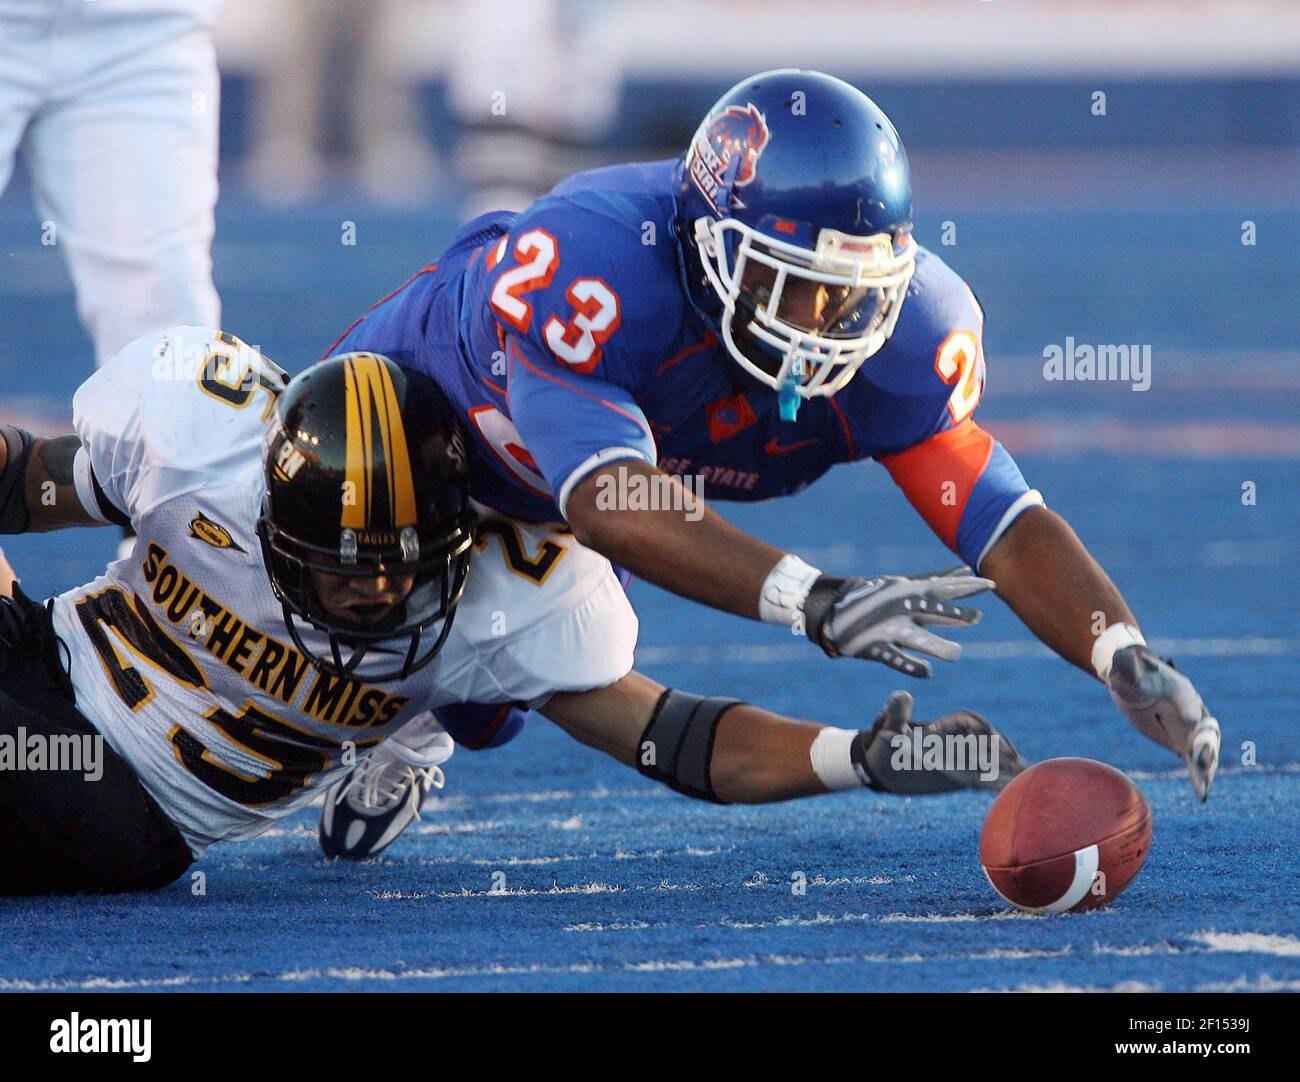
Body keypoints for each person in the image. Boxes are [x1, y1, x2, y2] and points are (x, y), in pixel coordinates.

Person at [323, 69, 1220, 845]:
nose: (825, 329)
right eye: (796, 289)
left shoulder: (908, 340)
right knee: (330, 586)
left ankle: (427, 721)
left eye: (852, 299)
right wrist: (815, 600)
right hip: (422, 414)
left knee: (497, 709)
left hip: (583, 494)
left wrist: (1122, 652)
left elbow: (1000, 522)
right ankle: (374, 717)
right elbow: (609, 501)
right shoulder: (598, 258)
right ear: (712, 249)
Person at [0, 327, 1021, 893]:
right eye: (339, 571)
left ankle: (416, 746)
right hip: (35, 653)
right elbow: (21, 480)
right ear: (268, 517)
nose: (372, 595)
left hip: (119, 803)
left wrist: (858, 755)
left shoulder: (505, 595)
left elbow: (676, 735)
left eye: (396, 568)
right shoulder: (202, 445)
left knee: (480, 700)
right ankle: (410, 745)